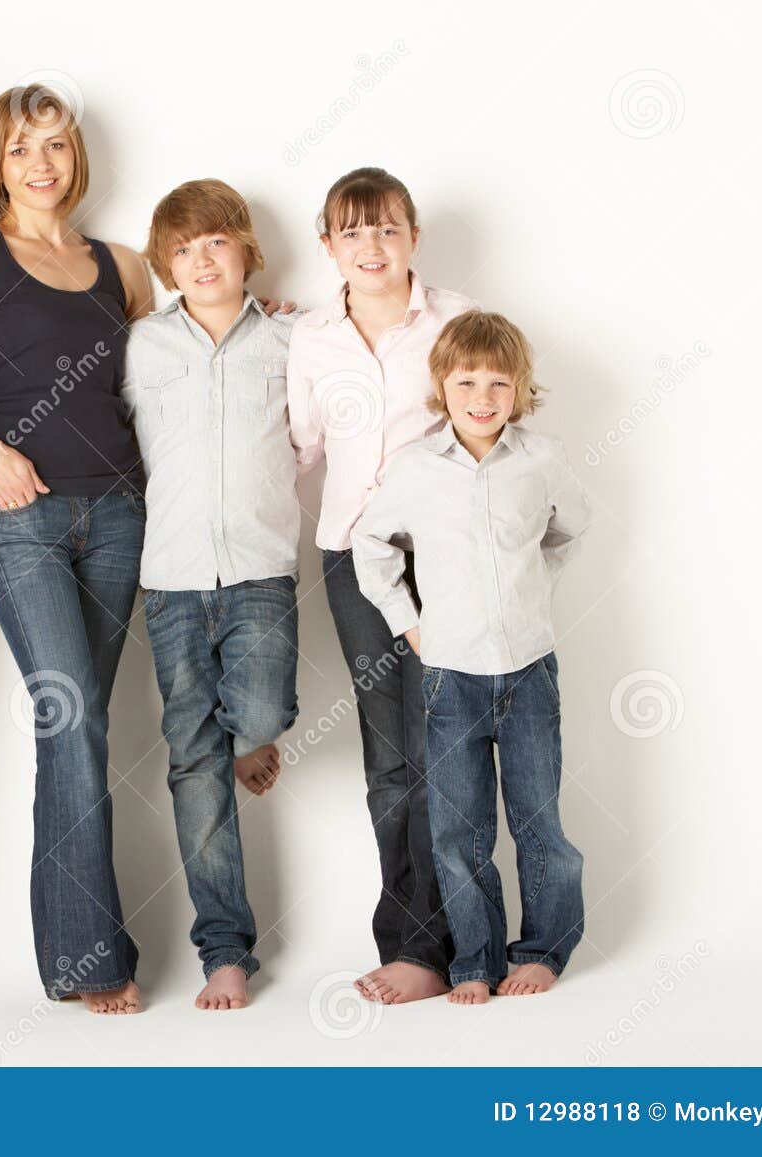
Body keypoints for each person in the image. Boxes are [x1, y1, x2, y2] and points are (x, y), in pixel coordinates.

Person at [0, 85, 153, 1015]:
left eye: (57, 146)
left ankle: (73, 948)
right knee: (72, 721)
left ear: (77, 159)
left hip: (118, 514)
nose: (42, 164)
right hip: (20, 516)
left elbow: (169, 375)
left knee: (81, 729)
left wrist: (250, 313)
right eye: (23, 147)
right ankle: (89, 961)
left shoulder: (126, 264)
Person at [351, 310, 590, 1003]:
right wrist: (410, 624)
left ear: (520, 389)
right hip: (449, 675)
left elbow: (570, 528)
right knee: (457, 830)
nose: (482, 396)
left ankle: (543, 948)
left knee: (539, 820)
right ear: (441, 386)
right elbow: (372, 548)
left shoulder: (541, 461)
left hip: (527, 670)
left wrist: (531, 590)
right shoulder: (417, 468)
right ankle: (475, 961)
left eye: (498, 382)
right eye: (466, 381)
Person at [286, 167, 477, 1004]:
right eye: (352, 231)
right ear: (327, 243)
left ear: (413, 235)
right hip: (351, 562)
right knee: (391, 758)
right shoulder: (312, 338)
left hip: (444, 560)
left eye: (387, 227)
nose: (372, 245)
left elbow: (491, 425)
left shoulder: (460, 320)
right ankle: (412, 943)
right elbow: (299, 447)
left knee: (452, 746)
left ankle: (466, 940)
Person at [123, 179, 300, 1010]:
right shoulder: (138, 347)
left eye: (218, 242)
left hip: (262, 569)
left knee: (260, 712)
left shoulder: (295, 338)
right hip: (172, 578)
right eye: (184, 248)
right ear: (166, 264)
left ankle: (248, 737)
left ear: (247, 252)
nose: (202, 259)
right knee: (193, 765)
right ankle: (224, 949)